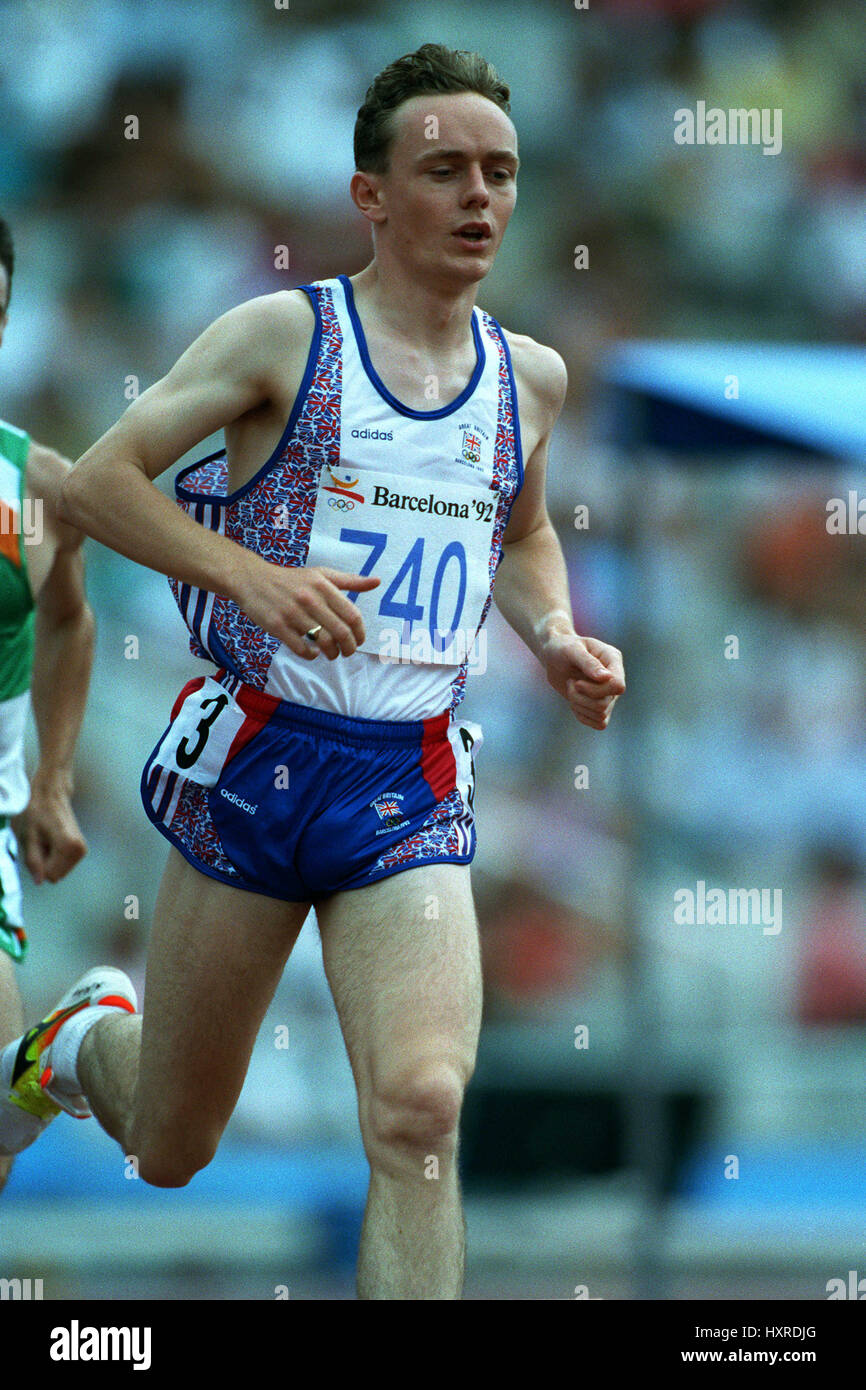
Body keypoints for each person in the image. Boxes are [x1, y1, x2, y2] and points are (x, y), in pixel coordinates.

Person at [1, 44, 625, 1297]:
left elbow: (520, 531)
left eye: (498, 173)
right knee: (174, 1145)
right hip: (258, 754)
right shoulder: (285, 335)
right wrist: (252, 578)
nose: (478, 199)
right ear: (371, 195)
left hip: (407, 772)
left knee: (420, 1111)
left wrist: (551, 632)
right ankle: (77, 1040)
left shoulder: (528, 377)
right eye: (442, 170)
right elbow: (102, 485)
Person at [0, 215, 106, 1189]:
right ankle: (58, 1053)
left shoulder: (36, 489)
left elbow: (71, 624)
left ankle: (59, 1053)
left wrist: (53, 781)